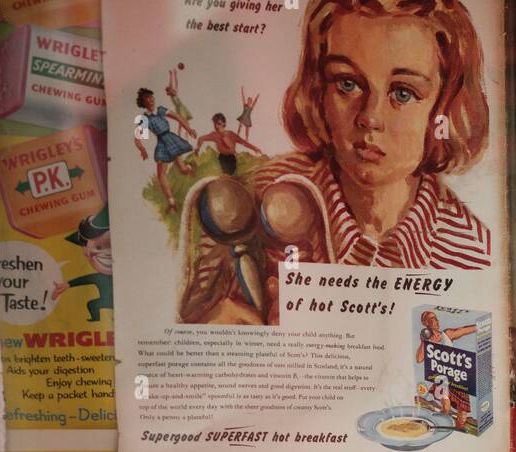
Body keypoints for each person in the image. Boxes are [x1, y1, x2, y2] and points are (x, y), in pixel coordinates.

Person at [178, 0, 492, 323]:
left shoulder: (471, 252)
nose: (370, 118)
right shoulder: (252, 198)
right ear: (319, 91)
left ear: (443, 107)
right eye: (347, 84)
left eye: (402, 93)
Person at [134, 87, 195, 213]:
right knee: (161, 175)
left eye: (151, 98)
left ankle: (189, 169)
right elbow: (137, 138)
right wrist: (142, 150)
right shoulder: (145, 119)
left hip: (172, 140)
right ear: (143, 103)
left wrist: (189, 129)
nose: (151, 101)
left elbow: (177, 117)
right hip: (162, 144)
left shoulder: (161, 110)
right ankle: (172, 202)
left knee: (183, 170)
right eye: (147, 99)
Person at [51, 206, 112, 323]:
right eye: (99, 247)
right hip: (107, 302)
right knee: (92, 304)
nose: (108, 253)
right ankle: (95, 319)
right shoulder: (101, 277)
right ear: (86, 252)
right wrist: (67, 284)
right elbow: (86, 279)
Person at [194, 114, 263, 176]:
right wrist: (197, 149)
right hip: (222, 159)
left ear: (224, 124)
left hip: (232, 159)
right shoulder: (214, 135)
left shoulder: (231, 134)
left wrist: (254, 148)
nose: (216, 126)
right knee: (224, 178)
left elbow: (243, 142)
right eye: (215, 124)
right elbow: (200, 139)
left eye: (218, 123)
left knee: (233, 178)